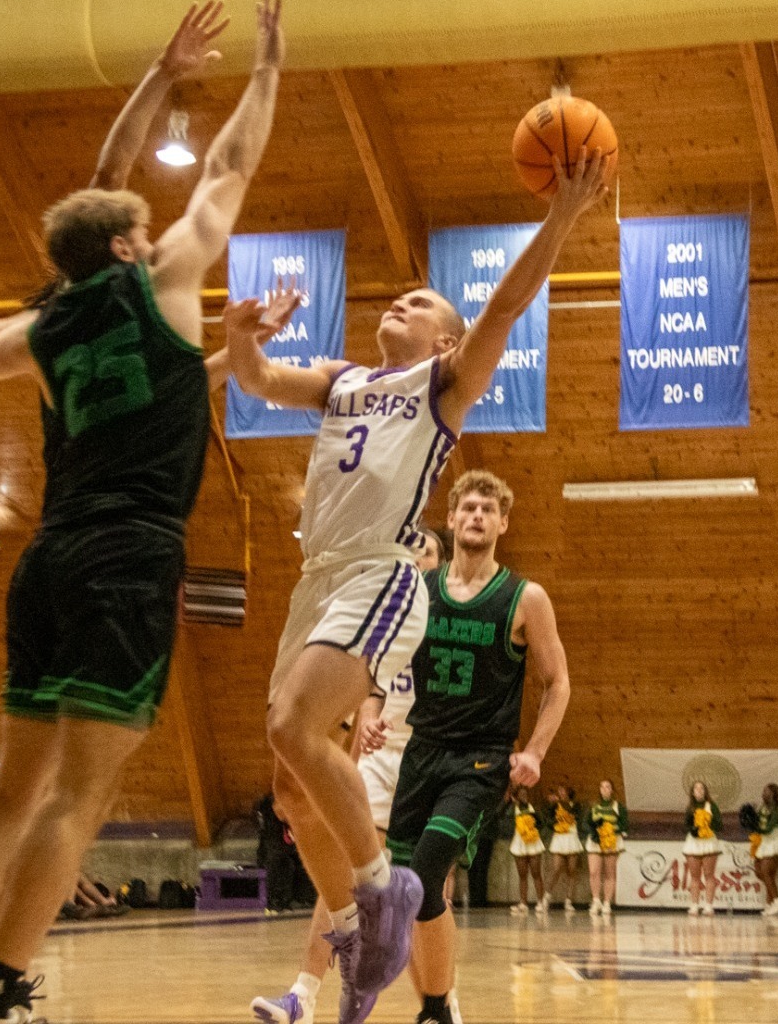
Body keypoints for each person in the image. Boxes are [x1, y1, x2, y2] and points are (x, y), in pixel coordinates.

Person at [0, 0, 283, 1024]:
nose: (156, 226)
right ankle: (7, 986)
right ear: (125, 249)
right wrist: (271, 65)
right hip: (127, 550)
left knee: (15, 788)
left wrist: (159, 79)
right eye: (141, 228)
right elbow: (229, 170)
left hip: (50, 556)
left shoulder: (43, 328)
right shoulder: (160, 271)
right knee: (82, 795)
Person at [225, 136, 607, 1022]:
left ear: (444, 337)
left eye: (420, 301)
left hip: (380, 572)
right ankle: (357, 941)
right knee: (288, 779)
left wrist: (561, 217)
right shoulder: (343, 379)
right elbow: (259, 381)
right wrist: (241, 342)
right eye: (395, 297)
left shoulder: (439, 385)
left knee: (291, 723)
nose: (399, 300)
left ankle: (378, 897)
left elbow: (506, 309)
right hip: (314, 578)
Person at [370, 471, 570, 1024]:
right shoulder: (420, 592)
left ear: (503, 523)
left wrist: (534, 752)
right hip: (422, 750)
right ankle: (441, 1004)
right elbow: (375, 660)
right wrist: (366, 713)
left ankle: (435, 1007)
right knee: (409, 884)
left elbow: (558, 683)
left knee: (431, 866)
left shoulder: (525, 598)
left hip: (480, 760)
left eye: (489, 509)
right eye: (469, 507)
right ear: (452, 518)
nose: (478, 515)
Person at [251, 529, 445, 1024]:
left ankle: (440, 1005)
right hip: (383, 753)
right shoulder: (381, 608)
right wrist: (368, 717)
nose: (418, 555)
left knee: (429, 886)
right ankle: (304, 993)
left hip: (432, 755)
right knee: (354, 876)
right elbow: (368, 685)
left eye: (428, 551)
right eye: (414, 546)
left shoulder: (443, 613)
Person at [584, 780, 627, 916]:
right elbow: (586, 823)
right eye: (602, 787)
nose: (605, 789)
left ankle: (607, 902)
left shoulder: (618, 806)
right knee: (594, 872)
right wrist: (595, 832)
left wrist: (611, 830)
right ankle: (596, 900)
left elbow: (624, 825)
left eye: (608, 787)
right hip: (596, 842)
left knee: (609, 873)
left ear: (612, 790)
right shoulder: (594, 806)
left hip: (611, 842)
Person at [542, 785, 584, 913]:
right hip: (559, 837)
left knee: (572, 870)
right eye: (558, 791)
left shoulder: (575, 805)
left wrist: (560, 802)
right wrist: (555, 823)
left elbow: (574, 815)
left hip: (571, 837)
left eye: (562, 791)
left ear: (568, 792)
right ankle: (545, 898)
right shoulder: (555, 805)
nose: (559, 793)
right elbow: (548, 819)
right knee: (556, 868)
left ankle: (568, 900)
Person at [683, 781, 722, 916]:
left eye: (701, 788)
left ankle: (709, 905)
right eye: (696, 789)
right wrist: (693, 828)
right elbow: (685, 826)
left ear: (705, 791)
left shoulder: (711, 806)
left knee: (709, 875)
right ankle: (694, 904)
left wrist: (708, 822)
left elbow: (719, 825)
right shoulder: (690, 807)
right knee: (694, 876)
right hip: (693, 843)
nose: (699, 791)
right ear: (692, 793)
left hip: (709, 843)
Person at [750, 783, 778, 917]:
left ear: (774, 794)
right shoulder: (763, 807)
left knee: (767, 872)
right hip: (763, 841)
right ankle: (771, 902)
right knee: (761, 872)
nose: (764, 793)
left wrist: (756, 827)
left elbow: (769, 827)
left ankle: (777, 902)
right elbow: (758, 822)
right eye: (763, 791)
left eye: (767, 791)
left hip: (774, 841)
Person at [506, 787, 545, 914]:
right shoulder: (513, 809)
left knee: (536, 873)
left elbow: (541, 823)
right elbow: (500, 815)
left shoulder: (533, 807)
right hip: (519, 843)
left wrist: (533, 829)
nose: (524, 796)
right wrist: (510, 802)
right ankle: (523, 903)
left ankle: (541, 902)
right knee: (522, 875)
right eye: (521, 794)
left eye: (525, 793)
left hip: (533, 842)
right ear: (517, 796)